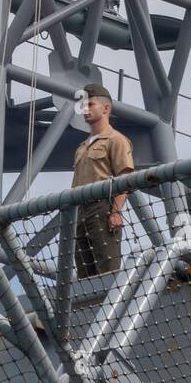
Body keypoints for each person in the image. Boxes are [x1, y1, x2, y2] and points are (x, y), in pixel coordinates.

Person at [71, 86, 134, 277]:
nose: (85, 109)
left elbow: (125, 178)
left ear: (106, 109)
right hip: (79, 211)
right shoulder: (82, 147)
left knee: (107, 270)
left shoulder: (116, 140)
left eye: (90, 104)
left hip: (102, 208)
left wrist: (115, 211)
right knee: (84, 273)